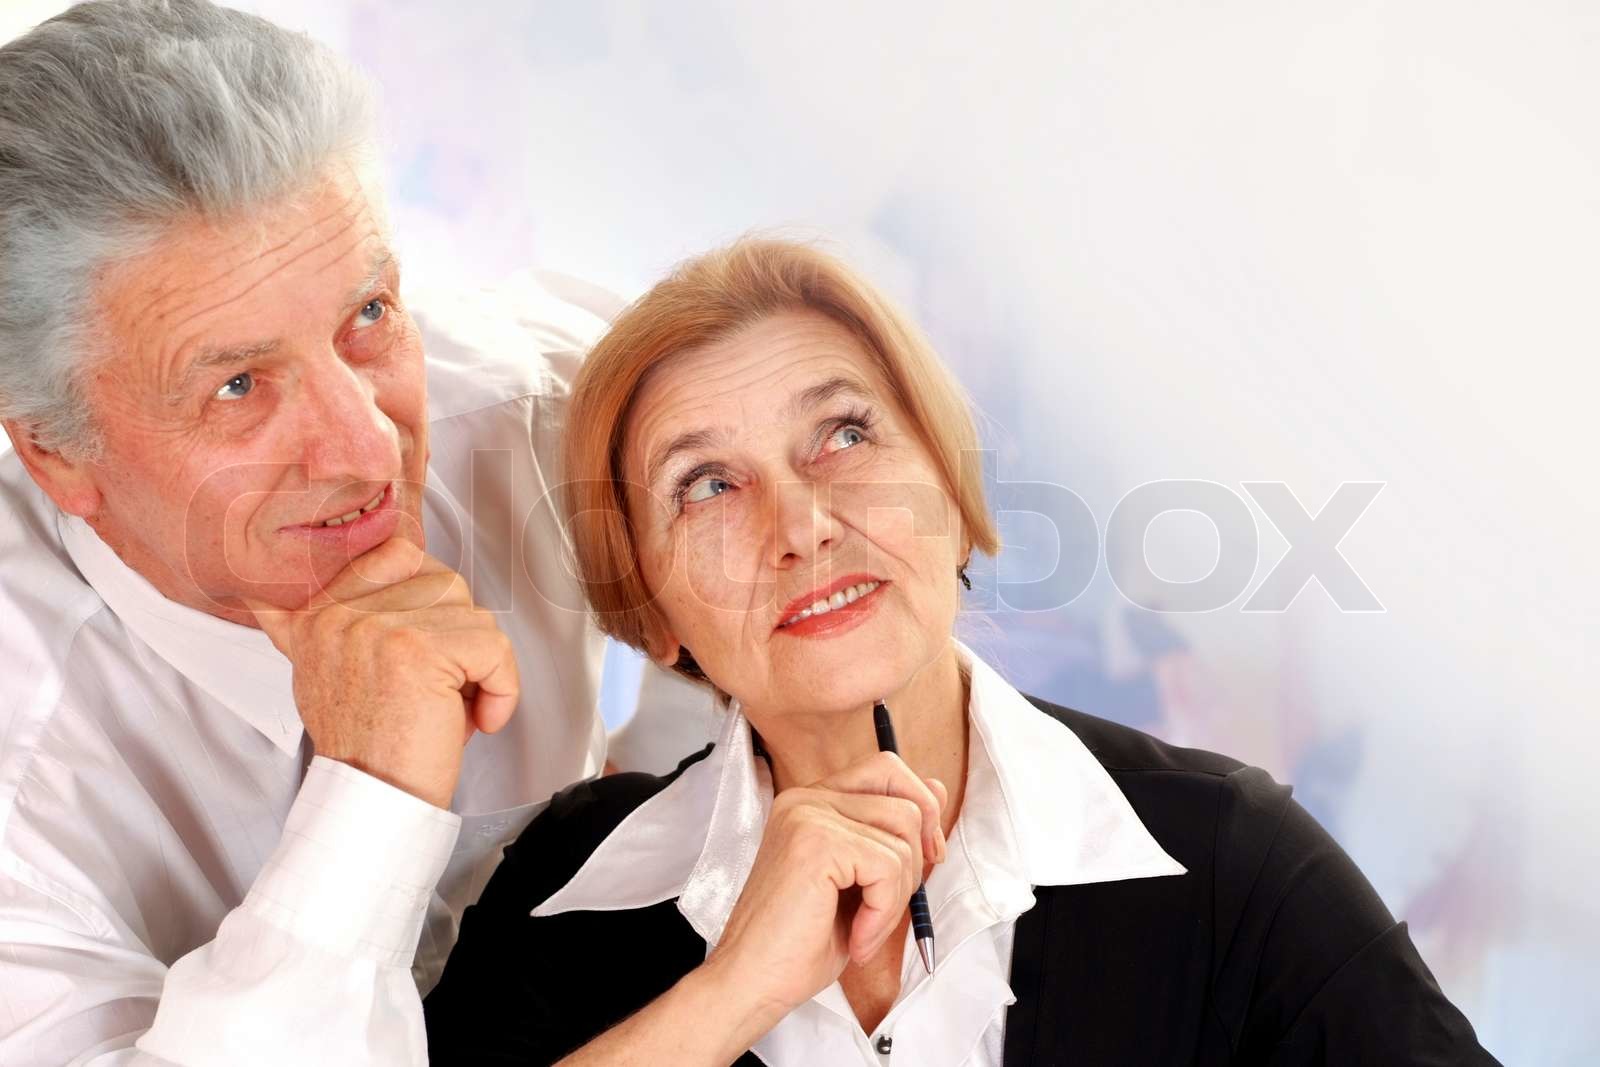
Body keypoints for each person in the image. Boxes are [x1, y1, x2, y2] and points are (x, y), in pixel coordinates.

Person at [424, 237, 1500, 1065]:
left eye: (844, 434)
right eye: (707, 483)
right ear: (648, 606)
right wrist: (728, 992)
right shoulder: (565, 891)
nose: (799, 524)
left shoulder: (1227, 857)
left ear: (953, 488)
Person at [0, 2, 700, 1063]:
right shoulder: (21, 773)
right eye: (238, 383)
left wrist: (659, 820)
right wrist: (371, 793)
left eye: (367, 314)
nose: (368, 446)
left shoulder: (534, 404)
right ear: (56, 450)